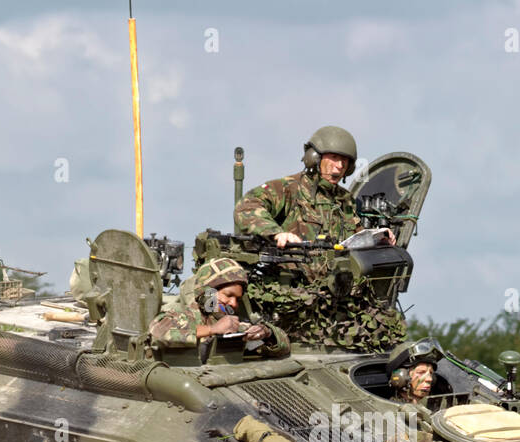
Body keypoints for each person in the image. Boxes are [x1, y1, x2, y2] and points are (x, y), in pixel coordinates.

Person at [234, 126, 390, 248]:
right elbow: (246, 207)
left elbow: (356, 240)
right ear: (314, 158)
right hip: (291, 282)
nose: (339, 166)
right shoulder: (290, 188)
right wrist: (277, 234)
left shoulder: (345, 201)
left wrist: (378, 237)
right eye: (334, 158)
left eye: (345, 161)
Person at [149, 257, 287, 356]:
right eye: (228, 295)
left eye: (237, 299)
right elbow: (158, 332)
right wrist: (212, 330)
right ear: (208, 293)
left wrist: (267, 332)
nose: (233, 303)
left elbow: (284, 346)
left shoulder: (232, 324)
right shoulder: (182, 314)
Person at [386, 338, 443, 405]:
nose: (429, 379)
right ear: (400, 377)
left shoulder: (433, 406)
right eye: (421, 372)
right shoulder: (389, 412)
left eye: (431, 373)